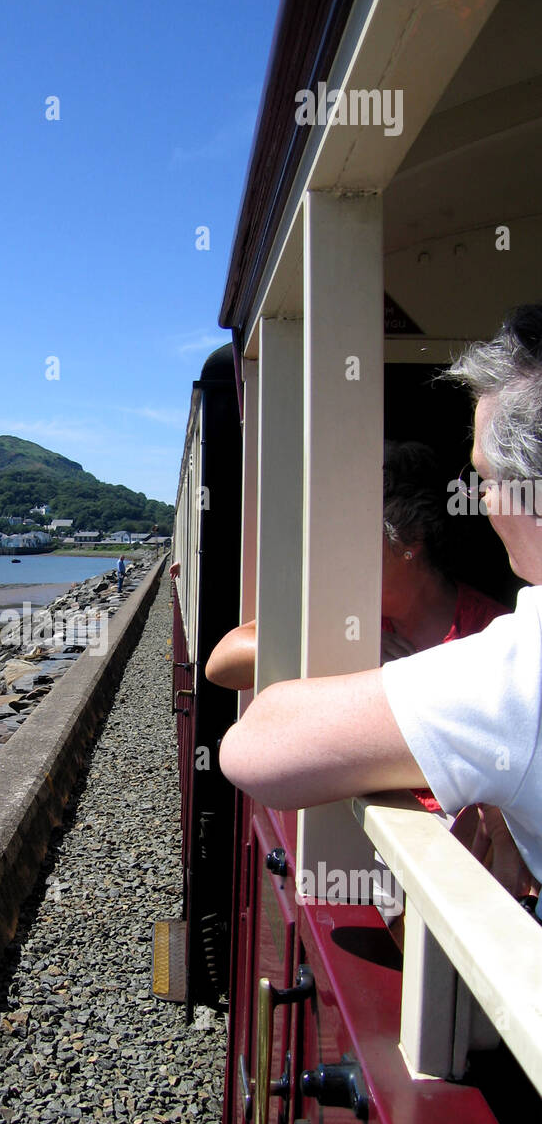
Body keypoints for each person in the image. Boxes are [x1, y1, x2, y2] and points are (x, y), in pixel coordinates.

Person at [218, 304, 542, 898]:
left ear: (411, 542)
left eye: (489, 483)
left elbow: (252, 746)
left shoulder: (496, 642)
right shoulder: (360, 619)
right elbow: (223, 662)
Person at [205, 439, 509, 697]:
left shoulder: (494, 632)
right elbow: (221, 663)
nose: (336, 552)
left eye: (353, 535)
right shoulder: (339, 607)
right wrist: (342, 649)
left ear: (411, 539)